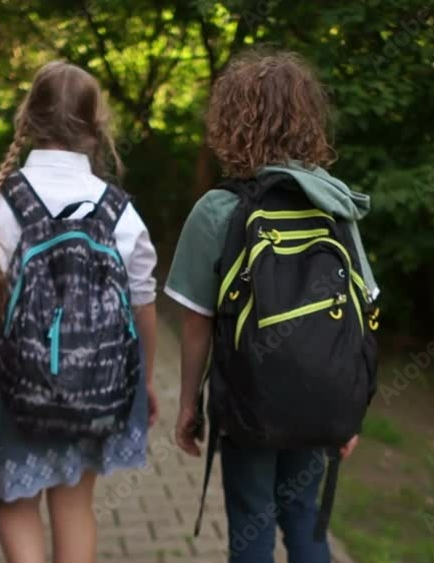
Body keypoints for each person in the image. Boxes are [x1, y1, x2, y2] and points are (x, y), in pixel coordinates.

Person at [165, 51, 380, 563]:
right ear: (308, 122)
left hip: (248, 404)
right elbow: (364, 311)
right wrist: (351, 411)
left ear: (229, 124)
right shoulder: (336, 205)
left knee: (252, 528)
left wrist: (189, 406)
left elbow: (196, 324)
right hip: (319, 401)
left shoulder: (218, 209)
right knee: (306, 525)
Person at [0, 61, 158, 563]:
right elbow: (142, 300)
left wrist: (0, 355)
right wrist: (142, 377)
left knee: (17, 501)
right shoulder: (118, 208)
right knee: (76, 504)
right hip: (97, 388)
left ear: (28, 116)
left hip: (21, 386)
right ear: (96, 125)